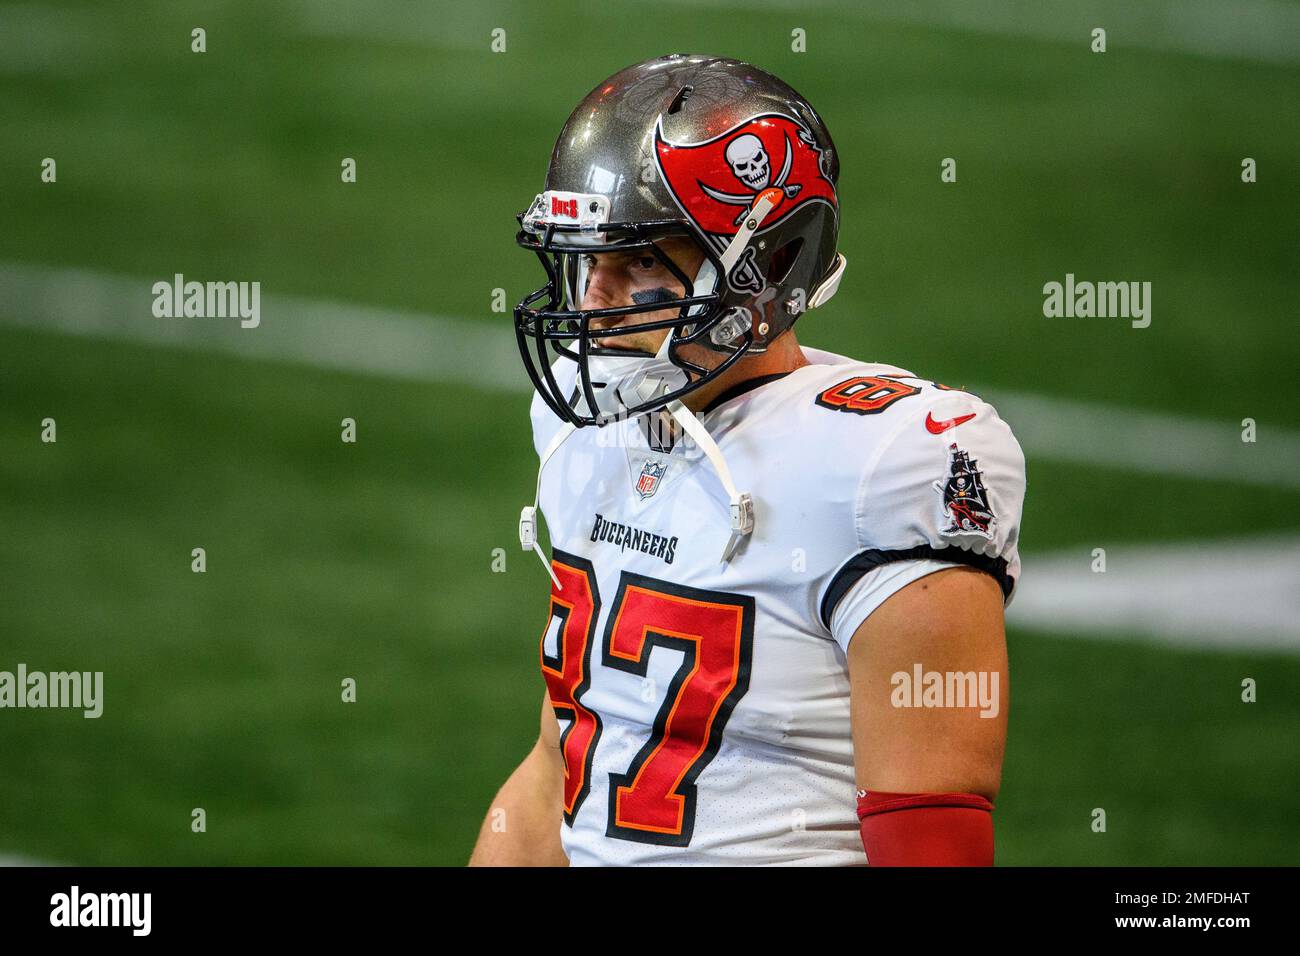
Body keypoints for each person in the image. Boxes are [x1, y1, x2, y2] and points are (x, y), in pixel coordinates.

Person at [469, 53, 1025, 866]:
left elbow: (931, 832)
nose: (592, 299)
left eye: (641, 263)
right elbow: (563, 760)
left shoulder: (884, 466)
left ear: (764, 266)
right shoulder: (584, 431)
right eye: (588, 260)